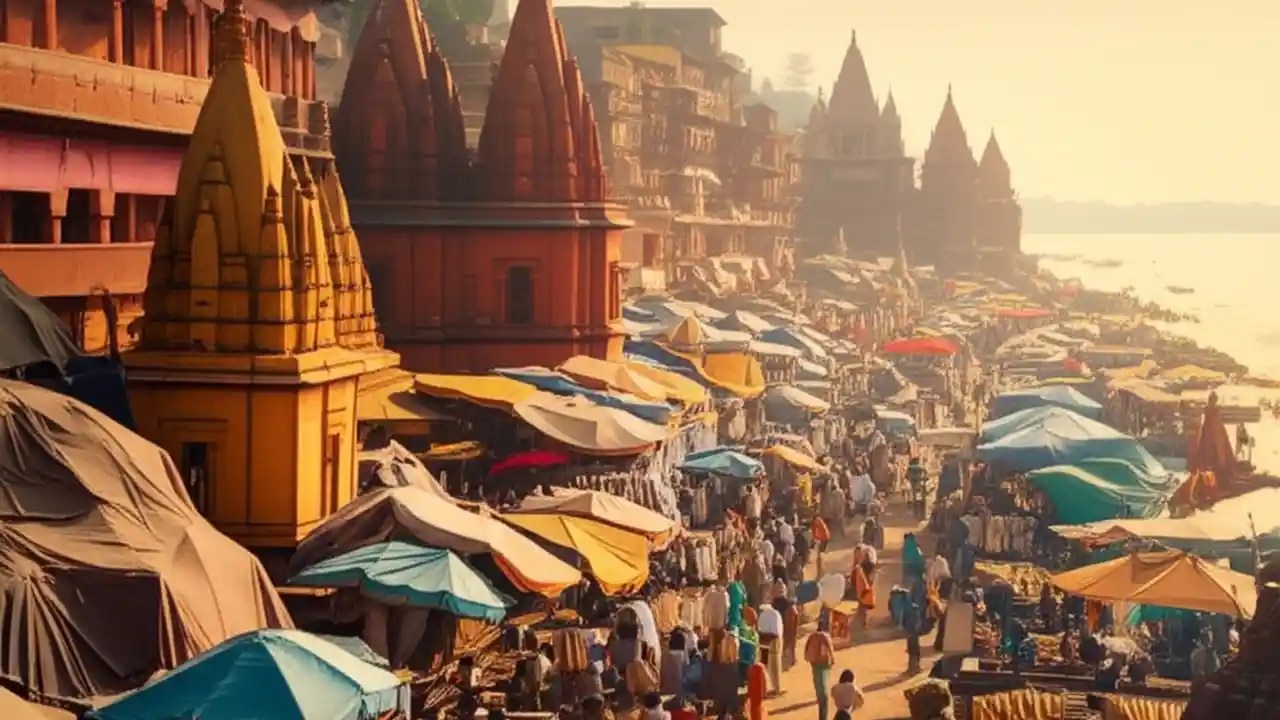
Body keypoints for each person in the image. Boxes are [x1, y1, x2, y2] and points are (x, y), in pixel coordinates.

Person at [805, 620, 836, 720]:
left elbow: (806, 650)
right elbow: (830, 649)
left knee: (818, 688)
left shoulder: (812, 636)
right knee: (824, 694)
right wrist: (832, 659)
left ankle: (821, 715)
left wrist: (808, 658)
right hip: (823, 664)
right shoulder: (825, 636)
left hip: (814, 664)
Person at [758, 603, 784, 695]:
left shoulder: (763, 615)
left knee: (766, 664)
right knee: (774, 665)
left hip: (765, 641)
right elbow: (778, 630)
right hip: (774, 640)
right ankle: (776, 687)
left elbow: (760, 628)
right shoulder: (776, 614)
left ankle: (769, 687)